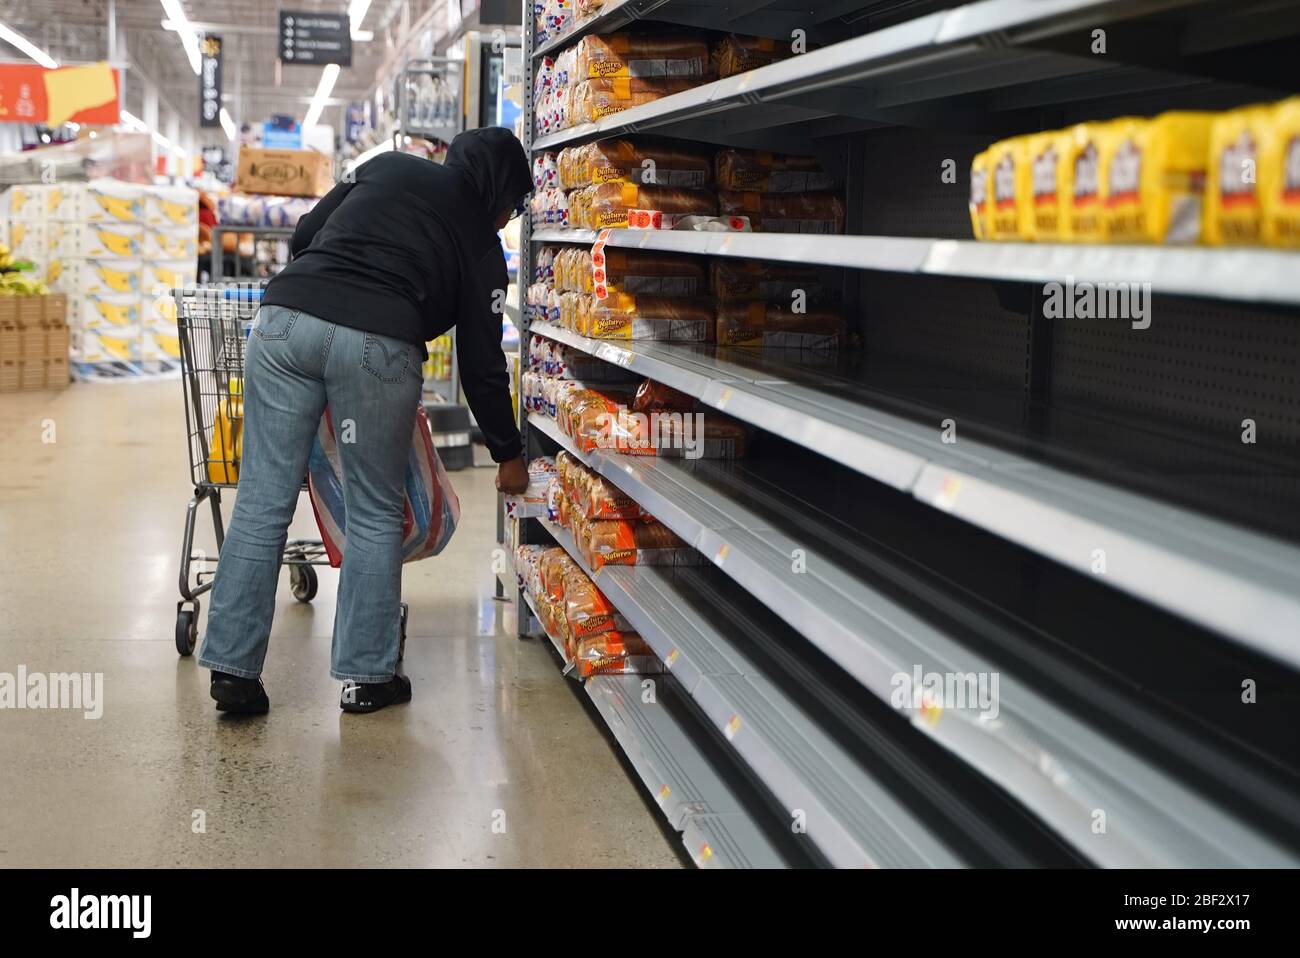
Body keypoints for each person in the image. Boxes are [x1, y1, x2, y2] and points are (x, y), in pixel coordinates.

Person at [196, 128, 533, 716]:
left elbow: (304, 234)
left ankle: (232, 668)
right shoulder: (483, 244)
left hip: (280, 325)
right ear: (498, 188)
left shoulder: (385, 167)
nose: (509, 219)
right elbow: (482, 367)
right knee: (375, 507)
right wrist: (507, 450)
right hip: (377, 345)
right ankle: (366, 678)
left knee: (261, 499)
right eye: (514, 204)